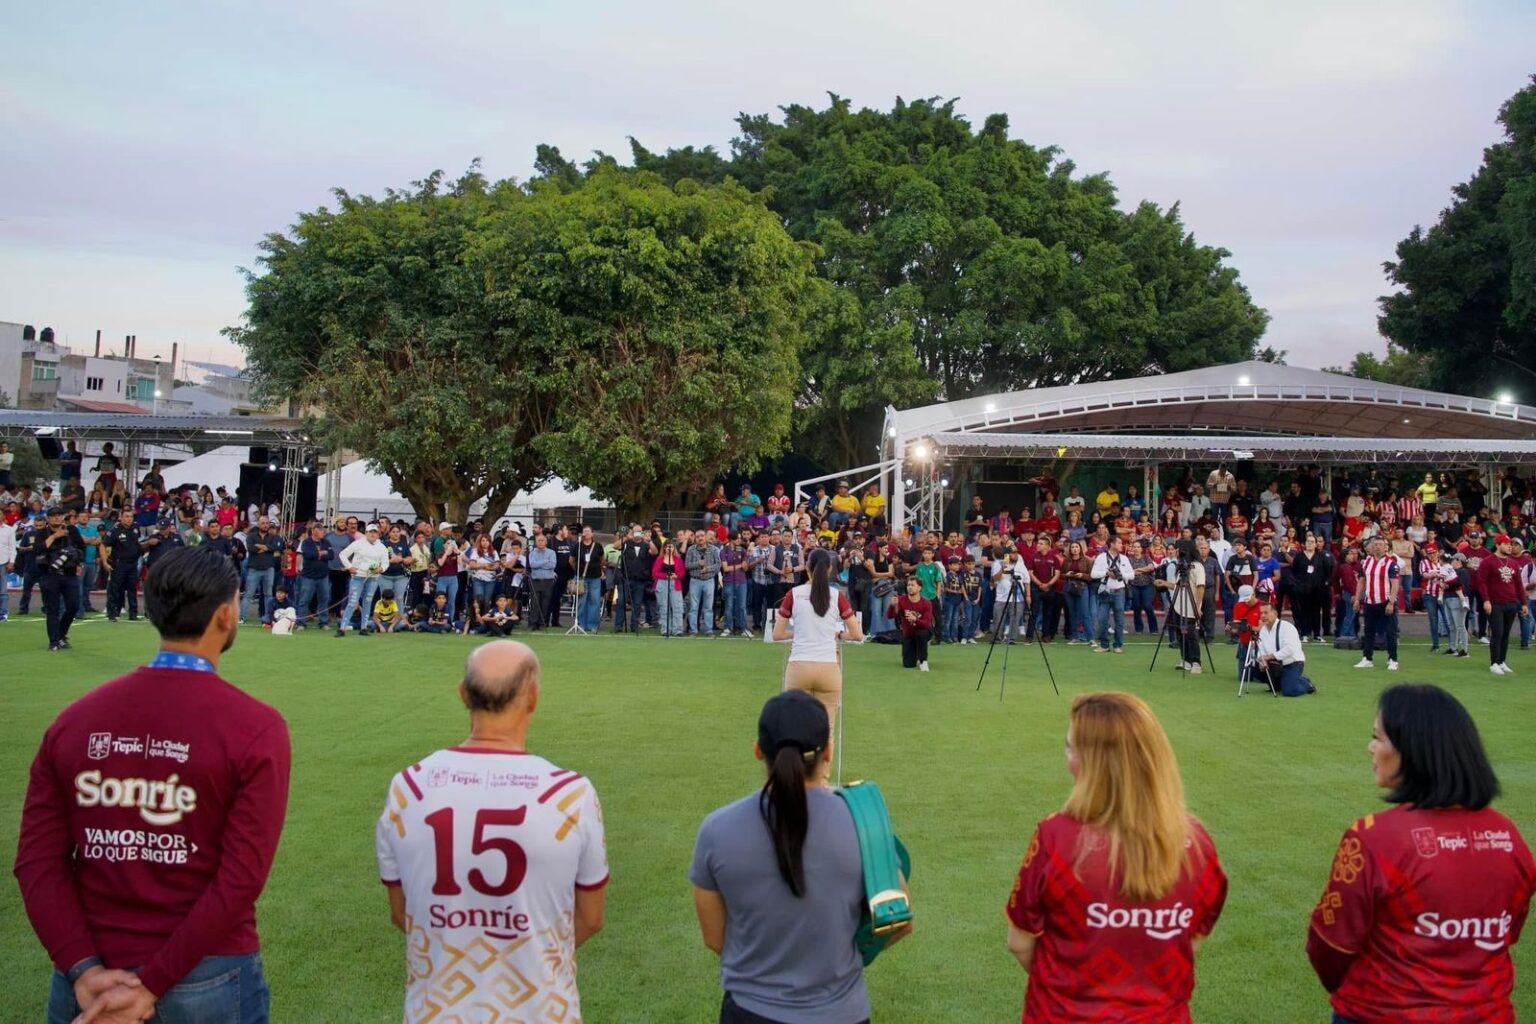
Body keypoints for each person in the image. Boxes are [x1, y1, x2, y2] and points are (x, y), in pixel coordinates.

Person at [15, 546, 291, 1024]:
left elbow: (37, 861)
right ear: (227, 615)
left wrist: (81, 967)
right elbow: (241, 878)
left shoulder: (74, 720)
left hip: (91, 972)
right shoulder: (255, 727)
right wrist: (152, 984)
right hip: (206, 973)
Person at [375, 641, 606, 1024]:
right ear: (533, 698)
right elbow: (591, 918)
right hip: (542, 1010)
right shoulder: (570, 794)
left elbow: (403, 914)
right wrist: (523, 950)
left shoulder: (409, 787)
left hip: (436, 1011)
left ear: (463, 693)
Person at [1308, 684, 1534, 1022]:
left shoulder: (1374, 838)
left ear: (1412, 750)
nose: (1370, 748)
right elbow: (1505, 932)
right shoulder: (1508, 835)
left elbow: (1329, 945)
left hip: (1382, 1013)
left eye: (1378, 738)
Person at [1005, 692, 1227, 1022]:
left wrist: (1073, 990)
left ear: (1091, 763)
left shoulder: (1055, 838)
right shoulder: (1197, 843)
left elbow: (1020, 942)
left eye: (1070, 747)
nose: (1066, 756)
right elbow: (1189, 942)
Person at [690, 690, 903, 1024]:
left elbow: (715, 938)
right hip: (842, 1012)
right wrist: (844, 958)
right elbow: (896, 919)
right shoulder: (865, 823)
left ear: (759, 750)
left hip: (750, 1012)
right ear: (827, 752)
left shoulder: (716, 830)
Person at [773, 547, 862, 728]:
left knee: (794, 728)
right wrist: (839, 634)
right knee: (825, 731)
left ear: (807, 567)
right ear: (829, 569)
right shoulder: (837, 596)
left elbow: (778, 634)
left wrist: (801, 633)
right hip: (828, 668)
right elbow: (857, 634)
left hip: (799, 665)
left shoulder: (794, 594)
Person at [1475, 532, 1530, 675]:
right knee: (1497, 633)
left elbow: (1518, 585)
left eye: (1511, 544)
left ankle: (1501, 661)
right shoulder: (1487, 562)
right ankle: (1494, 663)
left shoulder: (1513, 563)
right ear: (1498, 544)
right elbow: (1481, 582)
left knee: (1506, 634)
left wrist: (1523, 603)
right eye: (1506, 544)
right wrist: (1486, 600)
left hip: (1511, 602)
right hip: (1495, 603)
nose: (1510, 547)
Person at [38, 506, 85, 652]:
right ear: (48, 518)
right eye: (53, 516)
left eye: (59, 515)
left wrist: (79, 563)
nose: (56, 518)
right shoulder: (41, 532)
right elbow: (37, 550)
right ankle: (54, 642)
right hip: (49, 574)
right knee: (52, 609)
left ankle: (60, 634)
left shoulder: (72, 530)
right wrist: (54, 536)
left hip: (69, 574)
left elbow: (81, 547)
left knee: (73, 606)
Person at [1353, 537, 1401, 672]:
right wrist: (1357, 599)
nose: (1378, 547)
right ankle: (1367, 658)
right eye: (1375, 545)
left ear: (1386, 548)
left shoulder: (1391, 563)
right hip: (1369, 601)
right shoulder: (1366, 562)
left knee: (1390, 632)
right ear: (1372, 547)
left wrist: (1391, 602)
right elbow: (1361, 581)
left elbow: (1395, 584)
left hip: (1385, 600)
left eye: (1381, 544)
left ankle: (1393, 659)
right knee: (1368, 631)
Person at [336, 523, 388, 637]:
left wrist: (381, 568)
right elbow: (342, 554)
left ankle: (364, 627)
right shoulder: (358, 543)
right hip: (358, 576)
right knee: (353, 602)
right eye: (371, 532)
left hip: (373, 577)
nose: (373, 534)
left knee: (368, 601)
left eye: (375, 532)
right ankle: (342, 628)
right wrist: (350, 567)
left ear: (378, 534)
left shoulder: (382, 547)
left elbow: (385, 562)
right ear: (366, 533)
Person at [1255, 602, 1313, 696]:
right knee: (1255, 669)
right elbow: (1260, 649)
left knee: (1289, 691)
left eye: (1266, 612)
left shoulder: (1287, 627)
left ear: (1275, 613)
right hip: (1274, 663)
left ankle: (1306, 683)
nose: (1263, 616)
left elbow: (1290, 649)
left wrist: (1268, 657)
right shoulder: (1263, 630)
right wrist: (1261, 660)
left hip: (1292, 663)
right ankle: (1279, 684)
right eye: (1261, 613)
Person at [1090, 535, 1133, 654]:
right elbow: (1093, 574)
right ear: (1112, 544)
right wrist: (1106, 573)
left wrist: (1121, 575)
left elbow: (1132, 575)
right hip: (1105, 591)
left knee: (1119, 620)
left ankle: (1118, 645)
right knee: (1102, 619)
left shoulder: (1124, 558)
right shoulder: (1101, 557)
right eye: (1119, 543)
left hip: (1119, 591)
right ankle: (1104, 645)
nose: (1121, 545)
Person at [100, 509, 143, 623]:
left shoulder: (135, 528)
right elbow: (103, 545)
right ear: (121, 517)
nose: (129, 519)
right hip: (119, 564)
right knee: (116, 589)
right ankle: (112, 613)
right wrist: (105, 562)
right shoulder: (115, 531)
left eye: (131, 516)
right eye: (127, 516)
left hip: (133, 563)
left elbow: (136, 543)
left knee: (132, 589)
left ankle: (133, 614)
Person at [889, 575, 935, 672]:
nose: (910, 587)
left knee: (921, 634)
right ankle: (916, 654)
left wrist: (915, 619)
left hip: (924, 631)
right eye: (908, 585)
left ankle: (923, 661)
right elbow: (890, 616)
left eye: (913, 585)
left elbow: (927, 624)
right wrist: (892, 606)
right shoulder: (901, 600)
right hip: (908, 634)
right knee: (908, 664)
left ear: (919, 588)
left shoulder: (926, 603)